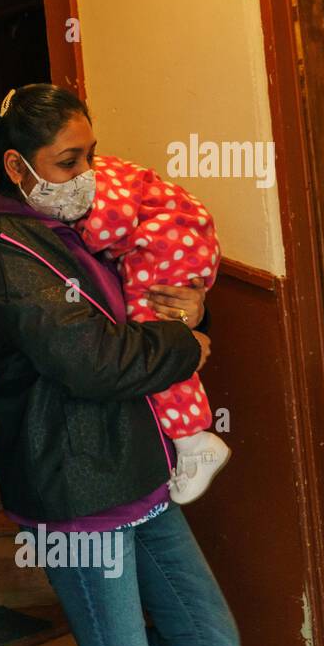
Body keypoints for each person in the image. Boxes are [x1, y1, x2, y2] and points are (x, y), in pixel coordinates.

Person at [0, 82, 240, 646]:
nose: (88, 174)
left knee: (208, 642)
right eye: (68, 161)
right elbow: (93, 360)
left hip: (139, 470)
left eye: (91, 154)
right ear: (16, 167)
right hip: (74, 487)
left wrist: (194, 307)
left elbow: (147, 299)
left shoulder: (81, 227)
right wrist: (189, 347)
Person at [76, 154, 231, 503]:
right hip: (180, 251)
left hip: (165, 256)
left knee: (158, 345)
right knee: (161, 344)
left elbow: (110, 222)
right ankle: (191, 441)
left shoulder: (100, 178)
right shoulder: (121, 173)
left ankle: (192, 439)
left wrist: (82, 239)